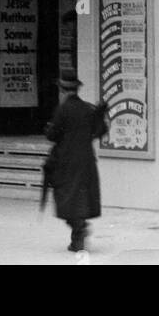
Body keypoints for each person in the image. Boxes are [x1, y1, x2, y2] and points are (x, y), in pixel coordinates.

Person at [43, 69, 109, 252]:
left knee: (64, 198)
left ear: (62, 89)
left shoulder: (63, 109)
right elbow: (100, 130)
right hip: (86, 159)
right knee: (80, 197)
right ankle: (77, 237)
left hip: (66, 160)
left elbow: (53, 135)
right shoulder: (87, 108)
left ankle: (79, 229)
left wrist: (48, 129)